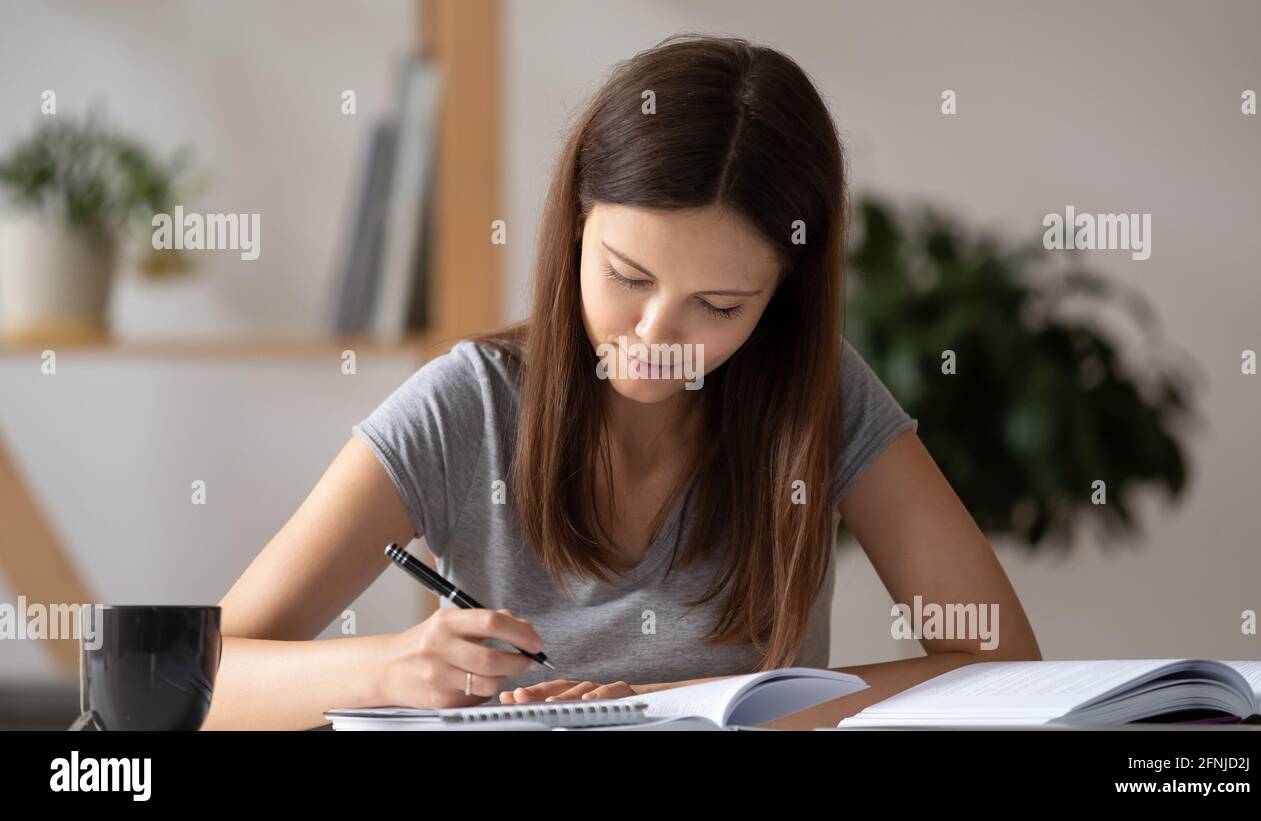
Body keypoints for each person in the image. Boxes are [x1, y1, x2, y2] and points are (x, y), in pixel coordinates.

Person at [204, 33, 1039, 731]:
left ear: (782, 295)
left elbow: (1001, 664)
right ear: (574, 224)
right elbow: (197, 682)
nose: (654, 338)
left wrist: (677, 708)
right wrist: (389, 665)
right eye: (628, 277)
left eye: (718, 304)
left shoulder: (818, 394)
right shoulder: (469, 405)